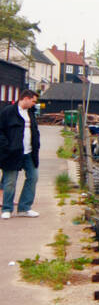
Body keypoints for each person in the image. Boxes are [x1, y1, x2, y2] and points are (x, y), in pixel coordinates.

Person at [0, 88, 41, 217]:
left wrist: (36, 144)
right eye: (33, 101)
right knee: (10, 181)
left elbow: (34, 130)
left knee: (33, 177)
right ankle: (7, 209)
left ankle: (24, 207)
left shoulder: (31, 113)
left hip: (29, 152)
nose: (35, 104)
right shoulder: (8, 112)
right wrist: (7, 147)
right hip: (12, 153)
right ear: (26, 98)